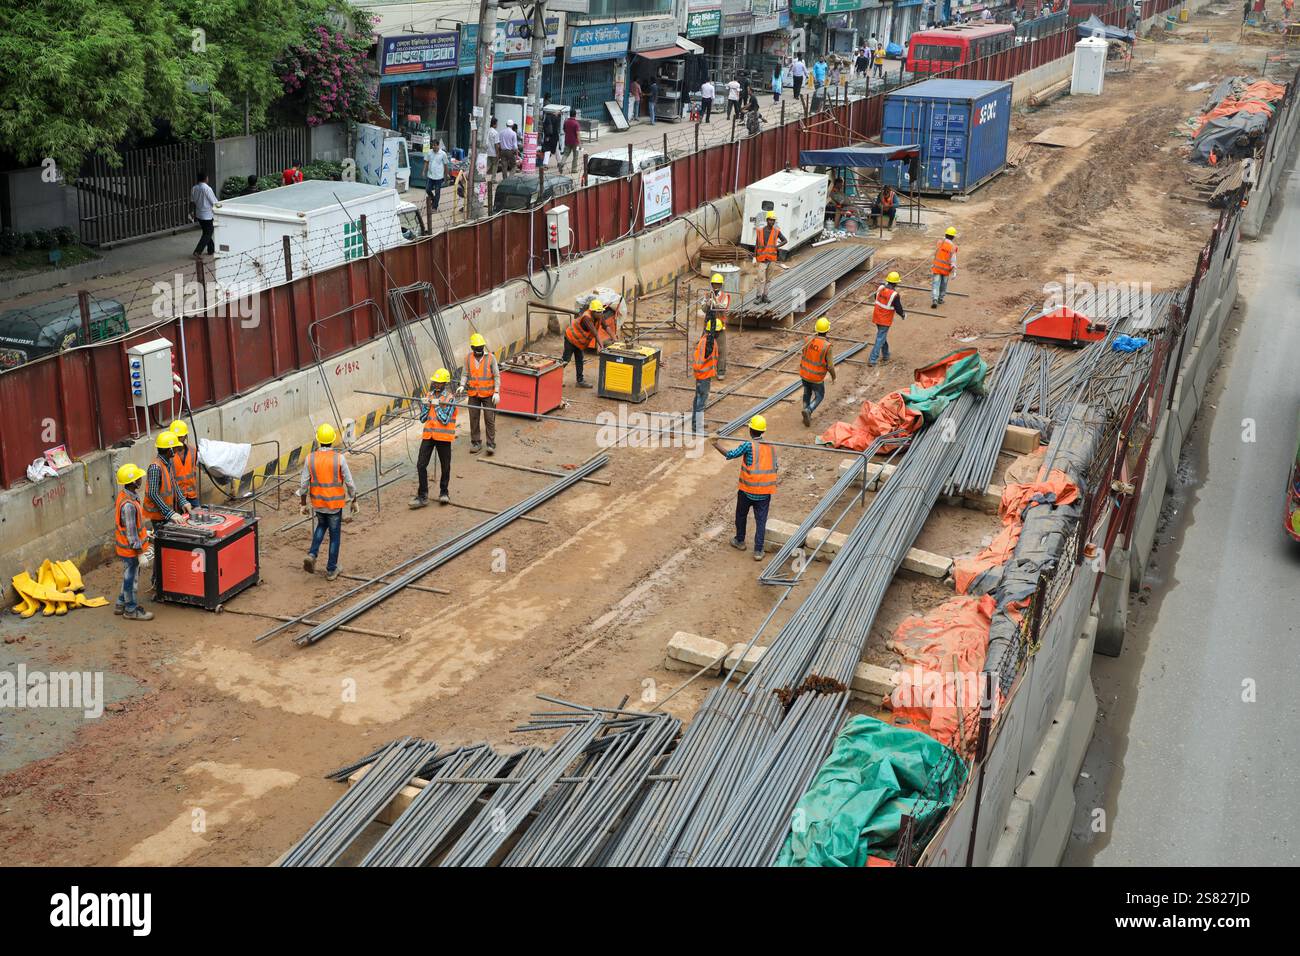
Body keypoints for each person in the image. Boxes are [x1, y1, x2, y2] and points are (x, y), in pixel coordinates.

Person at [712, 415, 778, 562]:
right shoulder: (772, 447)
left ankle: (740, 541)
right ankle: (758, 551)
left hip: (747, 491)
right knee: (761, 521)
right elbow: (775, 467)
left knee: (741, 515)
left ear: (750, 430)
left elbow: (730, 455)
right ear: (762, 431)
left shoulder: (748, 446)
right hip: (764, 493)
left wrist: (715, 443)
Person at [298, 423, 357, 580]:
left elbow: (303, 485)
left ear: (318, 440)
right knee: (335, 536)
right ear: (332, 440)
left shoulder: (309, 459)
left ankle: (312, 553)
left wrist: (303, 503)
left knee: (321, 526)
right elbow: (350, 482)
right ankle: (331, 569)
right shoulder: (339, 459)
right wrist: (354, 499)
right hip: (335, 505)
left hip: (319, 504)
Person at [412, 369, 458, 507]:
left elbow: (444, 419)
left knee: (445, 466)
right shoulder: (429, 395)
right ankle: (422, 495)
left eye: (439, 383)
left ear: (445, 383)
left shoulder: (450, 398)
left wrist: (436, 406)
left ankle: (444, 492)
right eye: (435, 382)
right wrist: (426, 406)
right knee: (421, 464)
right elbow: (422, 418)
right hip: (429, 435)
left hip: (443, 437)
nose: (436, 385)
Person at [113, 463, 154, 621]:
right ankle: (130, 610)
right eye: (138, 478)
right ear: (132, 482)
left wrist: (146, 533)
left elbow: (134, 527)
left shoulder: (124, 496)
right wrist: (140, 554)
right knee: (131, 579)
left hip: (126, 548)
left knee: (128, 575)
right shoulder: (129, 506)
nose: (140, 480)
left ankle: (120, 603)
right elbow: (131, 534)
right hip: (131, 550)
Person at [143, 430, 188, 535]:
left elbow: (173, 483)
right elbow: (152, 494)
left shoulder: (168, 463)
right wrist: (170, 513)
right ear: (170, 450)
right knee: (164, 544)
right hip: (159, 517)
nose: (177, 450)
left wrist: (183, 501)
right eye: (175, 448)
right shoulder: (155, 467)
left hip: (167, 513)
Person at [462, 333, 499, 455]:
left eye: (481, 347)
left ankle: (491, 444)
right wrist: (462, 385)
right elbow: (465, 374)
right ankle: (476, 442)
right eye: (477, 348)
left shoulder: (491, 358)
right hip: (473, 394)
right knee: (474, 419)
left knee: (489, 419)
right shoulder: (467, 358)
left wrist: (497, 392)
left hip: (488, 394)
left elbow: (497, 375)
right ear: (472, 348)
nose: (479, 349)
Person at [799, 316, 836, 427]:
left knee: (807, 392)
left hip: (804, 374)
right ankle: (809, 410)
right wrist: (834, 376)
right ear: (827, 330)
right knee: (819, 395)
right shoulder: (827, 346)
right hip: (816, 378)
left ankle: (805, 409)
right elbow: (830, 366)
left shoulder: (807, 340)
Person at [562, 298, 603, 387]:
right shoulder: (586, 317)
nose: (600, 314)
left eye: (601, 312)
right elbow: (594, 332)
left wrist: (614, 339)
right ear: (592, 311)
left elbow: (606, 326)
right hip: (570, 337)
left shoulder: (598, 317)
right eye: (598, 312)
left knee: (579, 360)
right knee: (566, 359)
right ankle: (555, 379)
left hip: (579, 342)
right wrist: (601, 346)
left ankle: (580, 381)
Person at [699, 272, 732, 379]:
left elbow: (724, 307)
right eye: (714, 284)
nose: (716, 286)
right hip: (708, 327)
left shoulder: (725, 296)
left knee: (721, 350)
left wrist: (714, 302)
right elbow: (703, 309)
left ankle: (721, 371)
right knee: (706, 348)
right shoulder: (707, 295)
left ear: (721, 285)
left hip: (720, 327)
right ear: (712, 284)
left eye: (718, 284)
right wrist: (708, 303)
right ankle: (706, 370)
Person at [870, 271, 906, 366]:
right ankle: (873, 359)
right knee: (880, 338)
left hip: (877, 316)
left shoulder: (880, 289)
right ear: (896, 283)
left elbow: (876, 297)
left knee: (882, 336)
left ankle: (886, 355)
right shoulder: (894, 295)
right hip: (885, 319)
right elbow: (898, 308)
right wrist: (903, 315)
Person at [753, 211, 787, 302]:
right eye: (770, 220)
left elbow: (785, 240)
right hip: (762, 259)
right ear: (767, 220)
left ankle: (765, 296)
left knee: (769, 279)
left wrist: (777, 246)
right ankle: (758, 296)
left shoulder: (776, 232)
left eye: (773, 220)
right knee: (761, 278)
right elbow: (756, 244)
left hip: (772, 259)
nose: (772, 222)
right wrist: (754, 256)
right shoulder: (760, 231)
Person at [690, 327, 717, 434]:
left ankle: (695, 423)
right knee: (701, 402)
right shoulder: (709, 343)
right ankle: (698, 427)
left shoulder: (703, 340)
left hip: (700, 375)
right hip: (704, 376)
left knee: (697, 399)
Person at [168, 419, 200, 509]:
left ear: (185, 436)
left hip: (192, 495)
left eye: (180, 437)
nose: (178, 439)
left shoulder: (193, 451)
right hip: (176, 497)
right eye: (176, 437)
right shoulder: (168, 455)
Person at [190, 172, 217, 257]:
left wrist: (191, 212)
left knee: (206, 232)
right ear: (206, 178)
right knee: (208, 233)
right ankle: (198, 251)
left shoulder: (194, 188)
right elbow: (214, 202)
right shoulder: (207, 189)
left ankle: (211, 249)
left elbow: (192, 202)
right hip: (207, 215)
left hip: (199, 214)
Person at [931, 226, 957, 308]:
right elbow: (953, 261)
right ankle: (940, 299)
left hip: (937, 268)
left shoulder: (939, 242)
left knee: (936, 284)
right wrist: (954, 272)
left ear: (945, 234)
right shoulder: (953, 247)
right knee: (943, 285)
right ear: (953, 237)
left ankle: (935, 299)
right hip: (945, 271)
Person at [425, 139, 448, 211]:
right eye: (433, 145)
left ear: (438, 145)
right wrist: (423, 171)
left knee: (437, 191)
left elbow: (445, 165)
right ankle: (433, 199)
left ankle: (435, 207)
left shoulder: (443, 154)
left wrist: (445, 175)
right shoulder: (429, 152)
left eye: (435, 145)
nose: (434, 147)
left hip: (439, 176)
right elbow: (426, 162)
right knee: (428, 189)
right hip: (430, 175)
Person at [542, 101, 561, 168]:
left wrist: (547, 136)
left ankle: (545, 164)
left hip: (548, 137)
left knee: (548, 150)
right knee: (556, 150)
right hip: (554, 137)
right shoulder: (556, 118)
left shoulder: (546, 118)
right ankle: (559, 162)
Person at [563, 109, 582, 174]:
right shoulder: (576, 123)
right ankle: (574, 169)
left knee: (565, 154)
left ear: (570, 114)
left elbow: (564, 130)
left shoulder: (566, 122)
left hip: (567, 141)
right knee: (575, 156)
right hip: (575, 142)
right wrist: (579, 143)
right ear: (575, 115)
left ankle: (562, 163)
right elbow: (578, 134)